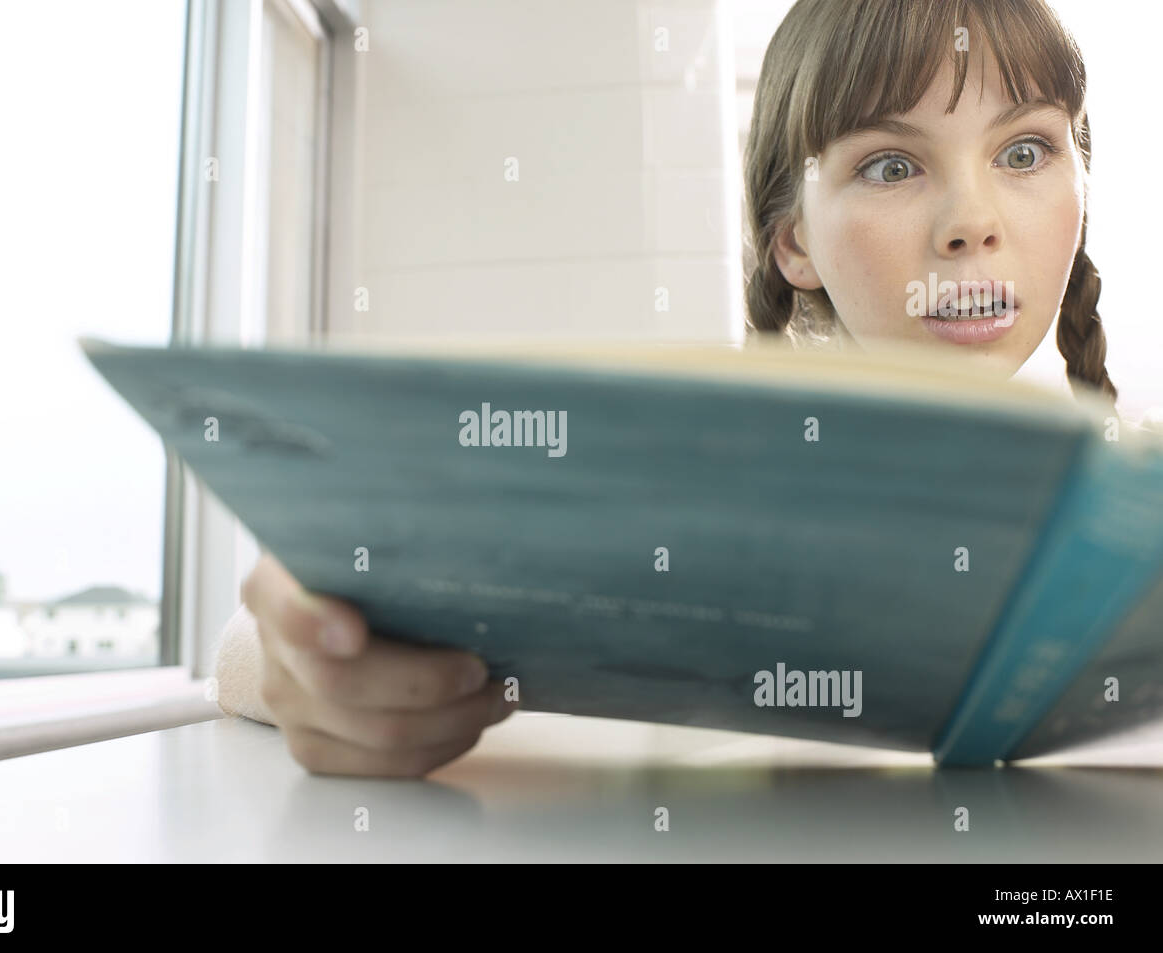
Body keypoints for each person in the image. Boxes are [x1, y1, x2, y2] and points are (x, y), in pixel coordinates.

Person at [214, 0, 1118, 777]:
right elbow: (244, 651)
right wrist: (310, 639)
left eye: (1026, 150)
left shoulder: (1130, 497)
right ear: (794, 239)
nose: (971, 223)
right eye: (890, 164)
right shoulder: (688, 494)